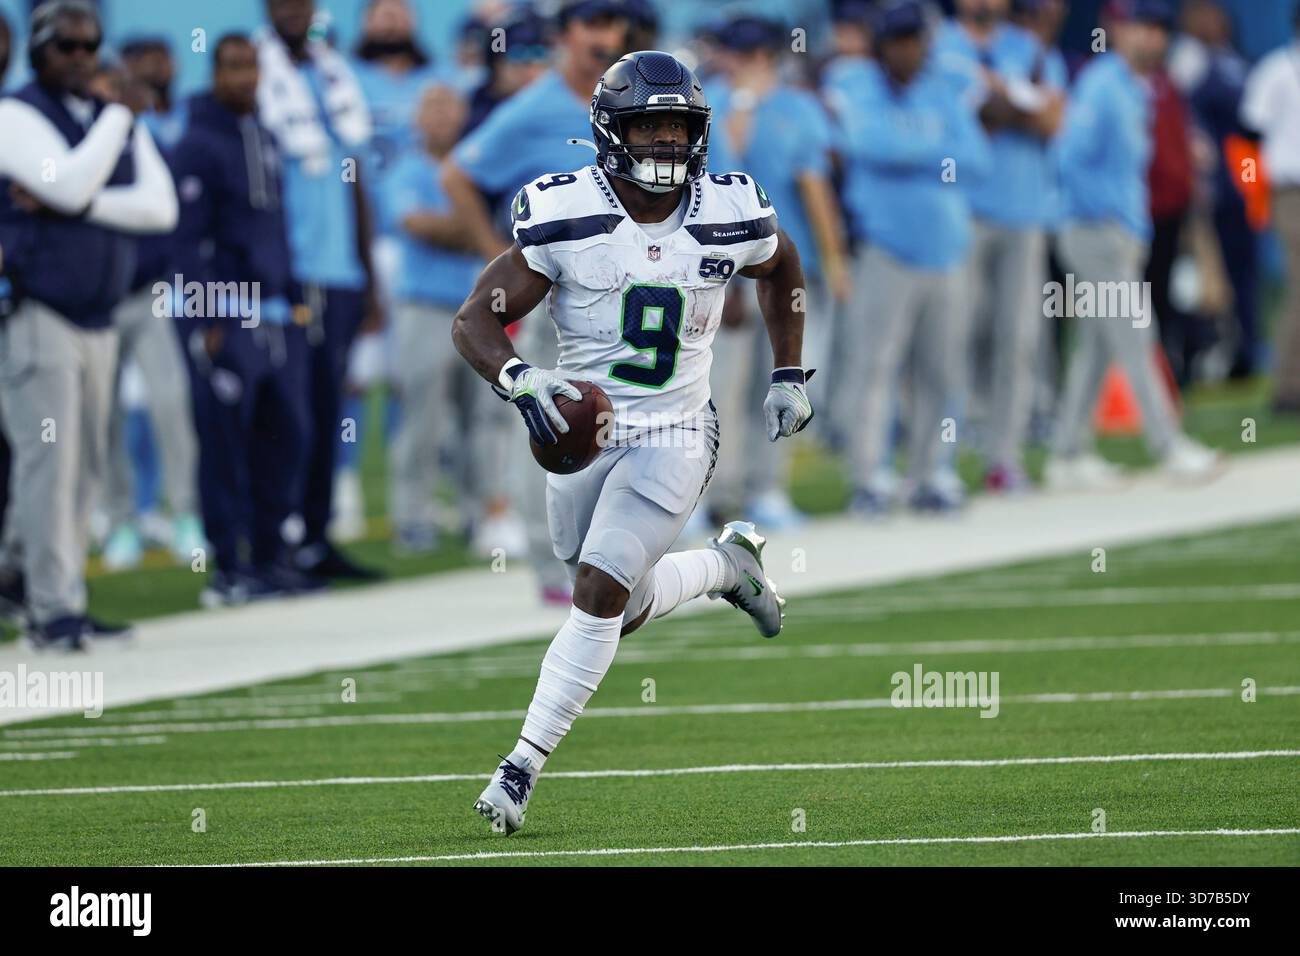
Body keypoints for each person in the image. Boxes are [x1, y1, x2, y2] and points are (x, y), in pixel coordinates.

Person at [453, 51, 813, 835]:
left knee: (598, 592)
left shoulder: (730, 209)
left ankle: (520, 768)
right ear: (611, 133)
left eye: (677, 128)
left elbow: (781, 264)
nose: (663, 144)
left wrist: (788, 369)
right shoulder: (565, 214)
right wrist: (520, 378)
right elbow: (475, 318)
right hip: (584, 437)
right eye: (647, 127)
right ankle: (726, 566)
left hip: (678, 430)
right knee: (619, 604)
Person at [442, 0, 634, 602]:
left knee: (624, 416)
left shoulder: (626, 98)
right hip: (556, 294)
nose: (603, 36)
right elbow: (458, 174)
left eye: (612, 24)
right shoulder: (533, 107)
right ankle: (550, 560)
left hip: (625, 292)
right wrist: (499, 256)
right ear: (565, 35)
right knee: (555, 418)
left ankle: (609, 550)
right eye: (591, 25)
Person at [0, 0, 177, 650]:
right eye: (65, 46)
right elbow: (68, 185)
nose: (80, 57)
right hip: (41, 312)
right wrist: (119, 118)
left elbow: (158, 209)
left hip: (101, 315)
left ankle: (55, 590)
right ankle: (51, 610)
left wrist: (80, 198)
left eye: (90, 45)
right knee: (50, 463)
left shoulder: (99, 118)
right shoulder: (16, 114)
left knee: (87, 469)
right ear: (40, 52)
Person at [169, 34, 320, 606]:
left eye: (250, 67)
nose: (243, 78)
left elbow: (273, 230)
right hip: (225, 312)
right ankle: (227, 565)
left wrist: (293, 294)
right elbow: (183, 242)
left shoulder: (265, 135)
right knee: (226, 440)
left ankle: (269, 556)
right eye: (232, 68)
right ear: (214, 73)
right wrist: (207, 312)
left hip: (275, 312)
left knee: (285, 435)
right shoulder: (196, 143)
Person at [1047, 0, 1222, 488]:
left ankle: (1067, 455)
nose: (1152, 38)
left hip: (1122, 232)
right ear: (1118, 30)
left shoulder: (1136, 88)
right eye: (1141, 27)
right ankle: (1168, 445)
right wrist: (1102, 214)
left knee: (1099, 348)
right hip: (1096, 232)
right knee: (1136, 337)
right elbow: (1069, 155)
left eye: (1158, 29)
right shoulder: (1102, 85)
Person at [827, 0, 991, 515]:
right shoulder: (856, 81)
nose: (910, 51)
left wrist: (913, 146)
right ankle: (870, 477)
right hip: (886, 249)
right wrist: (933, 145)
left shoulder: (940, 86)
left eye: (916, 41)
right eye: (900, 42)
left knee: (942, 372)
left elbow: (978, 158)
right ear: (882, 46)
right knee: (876, 367)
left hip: (946, 251)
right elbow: (865, 141)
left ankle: (932, 473)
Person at [256, 0, 381, 581]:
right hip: (294, 273)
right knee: (290, 413)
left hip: (341, 275)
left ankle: (316, 536)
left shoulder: (334, 73)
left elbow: (355, 180)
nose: (292, 10)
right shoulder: (258, 74)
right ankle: (276, 540)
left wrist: (368, 272)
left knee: (331, 409)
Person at [706, 13, 846, 530]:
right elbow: (726, 161)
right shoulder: (711, 101)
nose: (726, 62)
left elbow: (816, 188)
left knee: (785, 380)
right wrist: (742, 100)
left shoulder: (799, 107)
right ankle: (712, 494)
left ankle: (768, 489)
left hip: (785, 266)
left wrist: (833, 262)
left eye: (738, 54)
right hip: (722, 264)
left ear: (763, 56)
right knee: (719, 386)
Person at [934, 0, 1066, 493]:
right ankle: (940, 461)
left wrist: (1001, 102)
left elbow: (1053, 120)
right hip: (962, 211)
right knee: (955, 339)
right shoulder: (941, 45)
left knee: (1019, 340)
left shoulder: (1026, 46)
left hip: (1023, 210)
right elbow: (960, 119)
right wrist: (1016, 104)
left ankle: (1004, 458)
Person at [99, 37, 203, 572]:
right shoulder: (101, 137)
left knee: (171, 402)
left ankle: (184, 513)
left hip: (154, 290)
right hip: (100, 296)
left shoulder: (180, 123)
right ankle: (120, 519)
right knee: (105, 414)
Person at [378, 84, 483, 553]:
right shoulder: (406, 168)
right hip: (424, 305)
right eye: (431, 108)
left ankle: (479, 513)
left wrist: (467, 232)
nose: (441, 117)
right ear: (417, 119)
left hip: (480, 307)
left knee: (481, 418)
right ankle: (413, 516)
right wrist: (473, 230)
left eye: (448, 106)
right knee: (422, 416)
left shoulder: (477, 164)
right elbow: (416, 225)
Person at [1170, 0, 1259, 380]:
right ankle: (1195, 354)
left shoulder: (1235, 59)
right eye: (1200, 12)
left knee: (1243, 274)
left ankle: (1245, 351)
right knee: (1197, 279)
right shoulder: (1185, 60)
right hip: (1206, 189)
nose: (1210, 20)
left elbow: (1253, 133)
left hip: (1241, 183)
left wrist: (1255, 186)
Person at [1240, 2, 1300, 415]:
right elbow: (1246, 138)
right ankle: (1287, 388)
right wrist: (1254, 193)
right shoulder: (1277, 70)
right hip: (1289, 191)